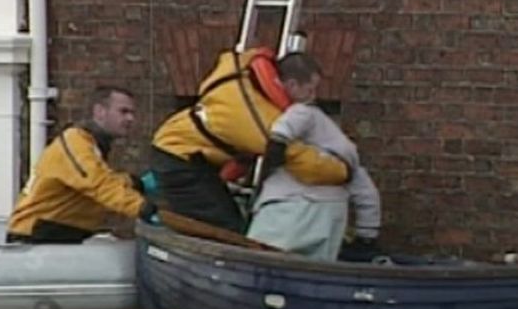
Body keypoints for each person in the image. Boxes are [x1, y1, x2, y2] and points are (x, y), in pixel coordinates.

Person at [149, 46, 351, 233]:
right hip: (180, 160)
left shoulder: (241, 75)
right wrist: (344, 171)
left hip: (180, 144)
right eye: (310, 90)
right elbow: (301, 160)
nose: (313, 98)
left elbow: (250, 55)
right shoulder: (260, 121)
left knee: (224, 216)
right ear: (291, 85)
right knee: (226, 229)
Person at [247, 54, 381, 261]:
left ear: (291, 85)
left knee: (260, 261)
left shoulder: (302, 112)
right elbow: (365, 190)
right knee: (313, 269)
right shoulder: (337, 140)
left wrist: (263, 176)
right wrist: (367, 233)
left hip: (292, 210)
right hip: (333, 216)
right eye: (311, 89)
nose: (313, 96)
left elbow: (280, 135)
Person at [7, 86, 157, 244]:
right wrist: (142, 208)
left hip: (55, 232)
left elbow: (101, 180)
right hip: (35, 235)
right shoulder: (75, 141)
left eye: (132, 113)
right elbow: (97, 183)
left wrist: (136, 183)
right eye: (123, 111)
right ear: (100, 111)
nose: (130, 118)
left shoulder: (90, 145)